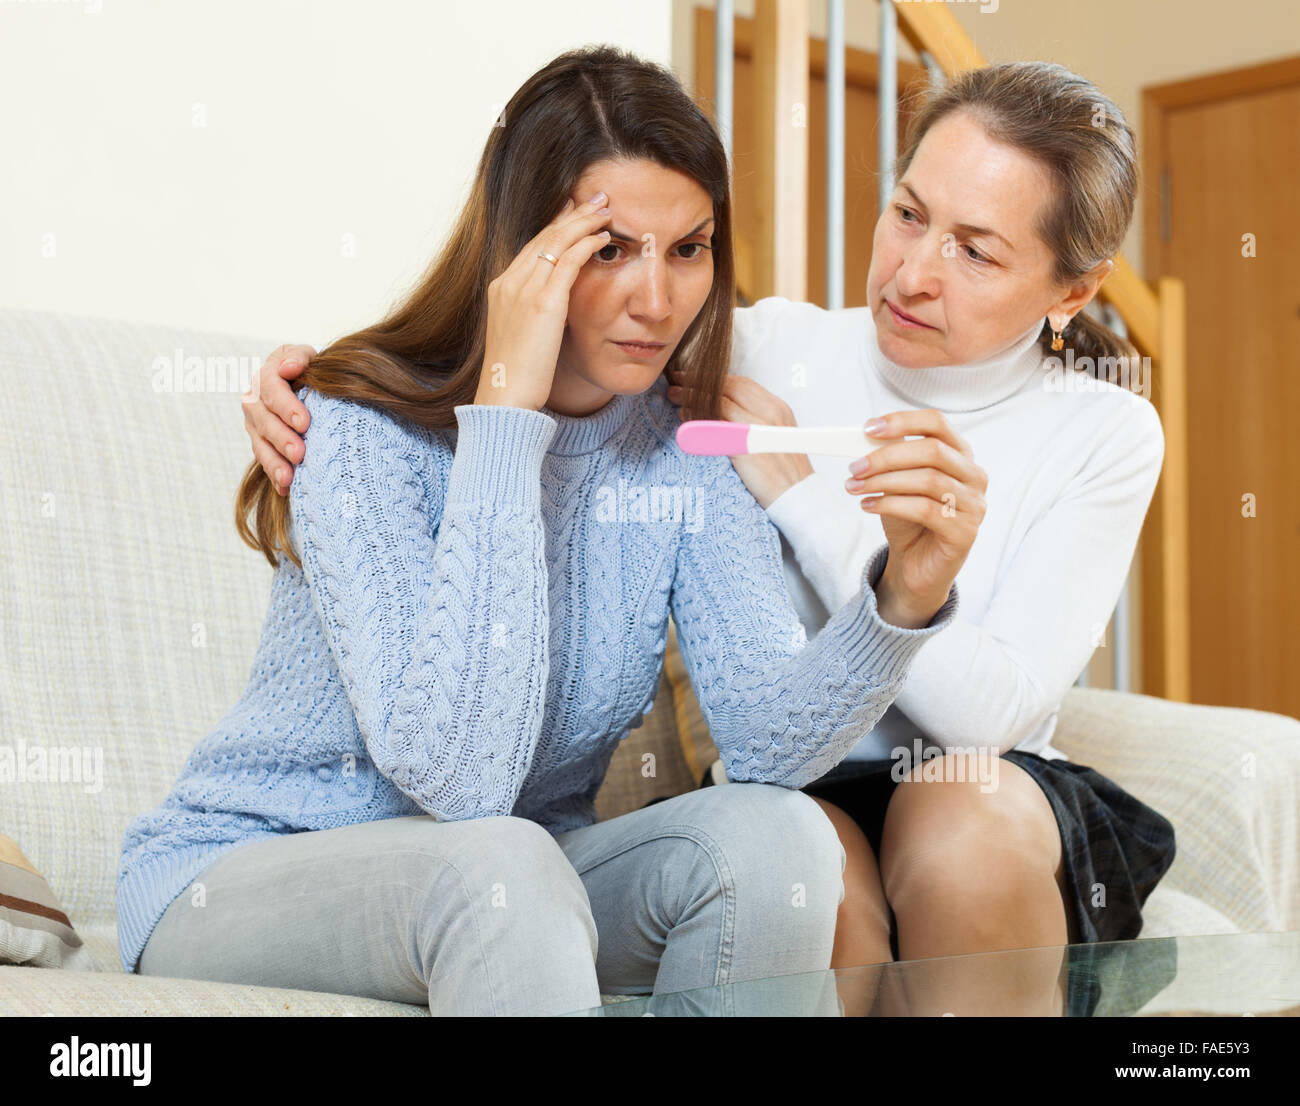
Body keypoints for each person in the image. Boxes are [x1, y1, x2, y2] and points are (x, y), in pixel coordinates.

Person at [244, 60, 1176, 1016]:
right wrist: (337, 390)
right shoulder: (749, 354)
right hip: (738, 795)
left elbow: (963, 717)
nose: (913, 273)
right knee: (794, 860)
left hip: (955, 777)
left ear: (1073, 291)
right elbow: (490, 361)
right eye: (907, 214)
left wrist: (887, 576)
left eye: (976, 252)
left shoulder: (1100, 429)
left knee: (916, 827)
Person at [118, 44, 967, 1018]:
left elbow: (770, 748)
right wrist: (505, 426)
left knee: (785, 839)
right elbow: (462, 779)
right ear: (523, 254)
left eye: (687, 248)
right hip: (248, 872)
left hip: (518, 873)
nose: (657, 298)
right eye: (609, 248)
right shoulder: (356, 430)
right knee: (500, 865)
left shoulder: (685, 448)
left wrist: (903, 594)